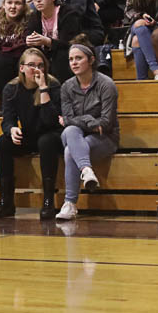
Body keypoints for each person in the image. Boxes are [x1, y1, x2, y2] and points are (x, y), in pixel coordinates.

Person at [0, 48, 63, 219]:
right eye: (31, 65)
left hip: (51, 134)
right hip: (30, 133)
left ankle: (48, 202)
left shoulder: (53, 85)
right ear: (21, 68)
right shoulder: (11, 88)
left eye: (40, 65)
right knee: (3, 142)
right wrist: (11, 129)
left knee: (46, 141)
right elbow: (7, 119)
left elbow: (51, 122)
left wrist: (43, 89)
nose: (37, 69)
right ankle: (6, 202)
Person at [56, 44, 120, 221]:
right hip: (75, 135)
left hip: (105, 138)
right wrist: (91, 121)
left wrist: (81, 121)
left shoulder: (106, 84)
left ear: (91, 60)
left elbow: (106, 124)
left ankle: (70, 203)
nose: (74, 63)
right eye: (71, 59)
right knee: (71, 131)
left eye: (79, 58)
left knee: (70, 150)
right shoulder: (67, 86)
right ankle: (86, 170)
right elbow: (68, 119)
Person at [25, 0, 79, 82]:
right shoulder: (34, 16)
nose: (38, 0)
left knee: (60, 56)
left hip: (65, 53)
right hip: (45, 53)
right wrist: (29, 40)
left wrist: (47, 41)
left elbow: (69, 43)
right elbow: (29, 35)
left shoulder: (67, 13)